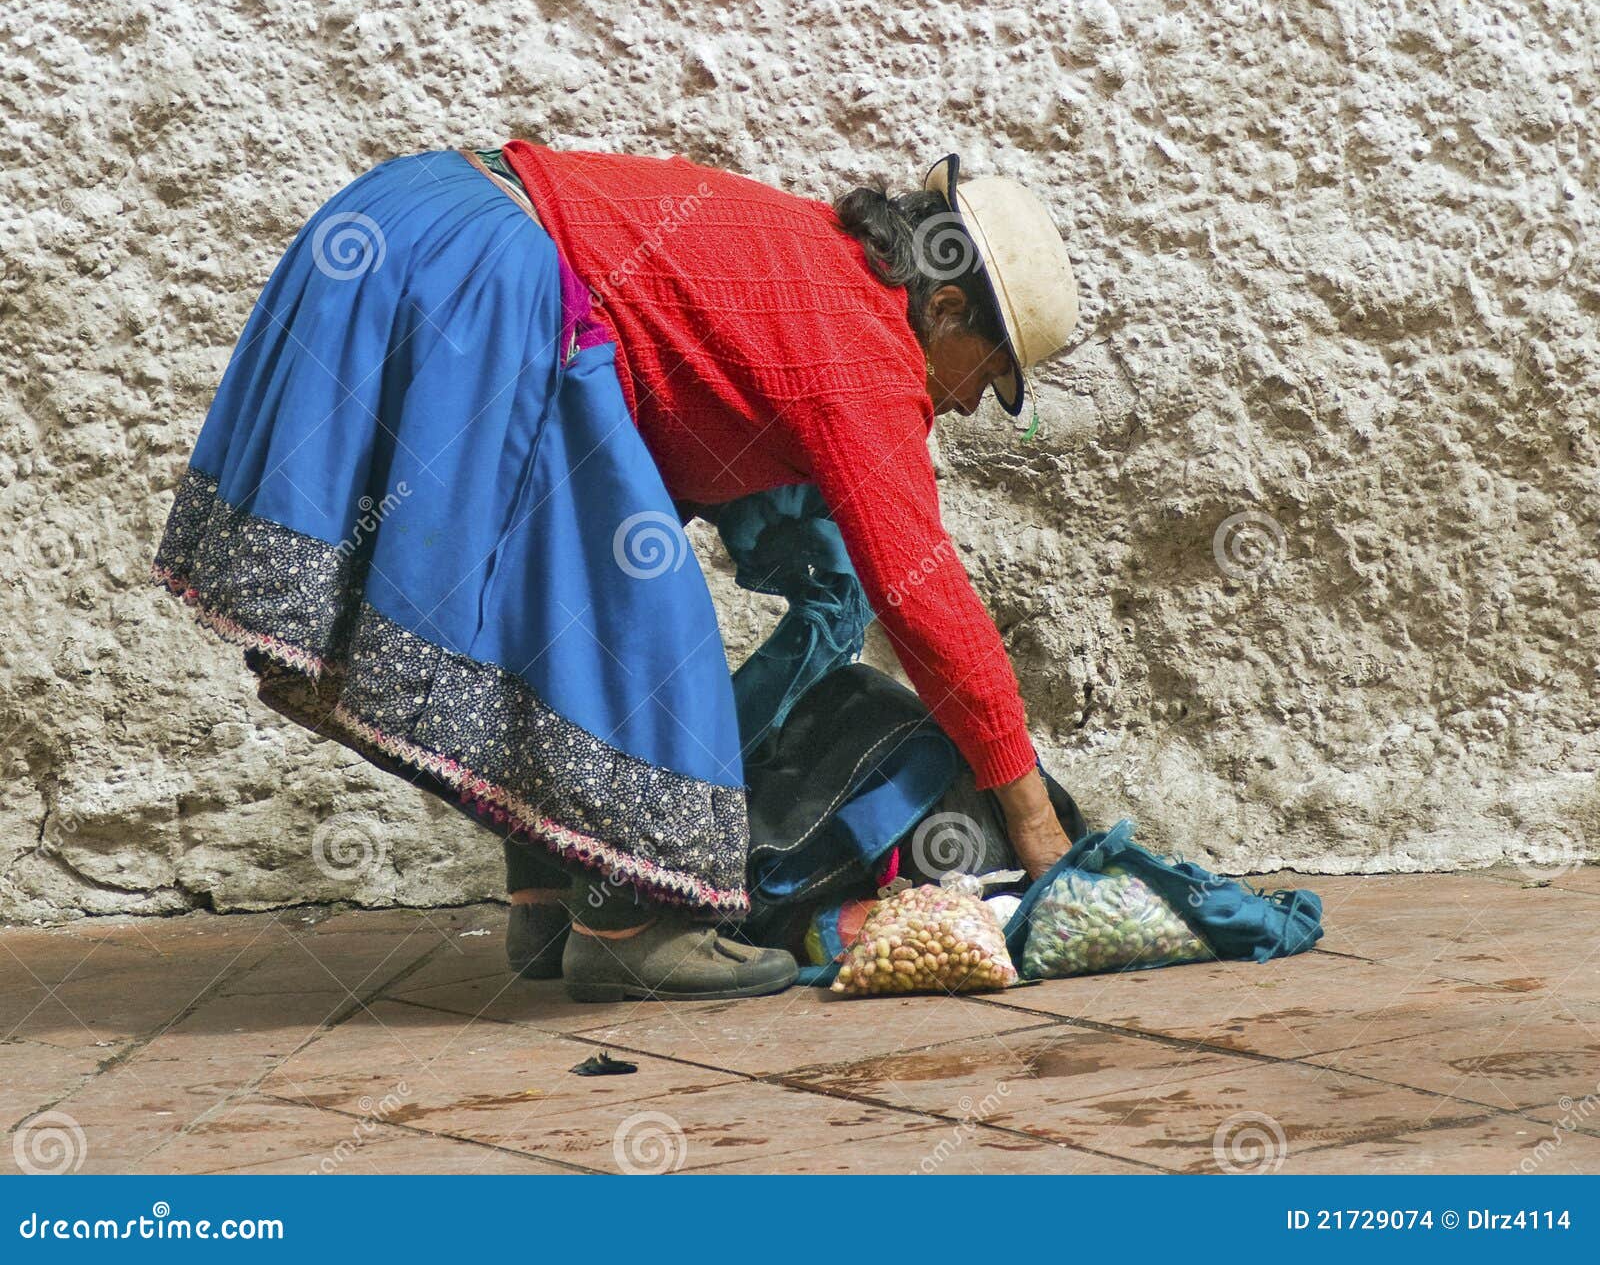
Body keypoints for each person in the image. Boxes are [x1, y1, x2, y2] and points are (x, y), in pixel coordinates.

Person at [153, 141, 1080, 1002]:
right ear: (948, 308)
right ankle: (635, 930)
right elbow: (924, 595)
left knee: (552, 616)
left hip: (418, 220)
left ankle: (551, 904)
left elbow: (669, 425)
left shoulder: (812, 262)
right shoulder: (867, 349)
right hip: (482, 270)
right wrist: (1036, 826)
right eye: (987, 376)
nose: (966, 407)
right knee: (648, 630)